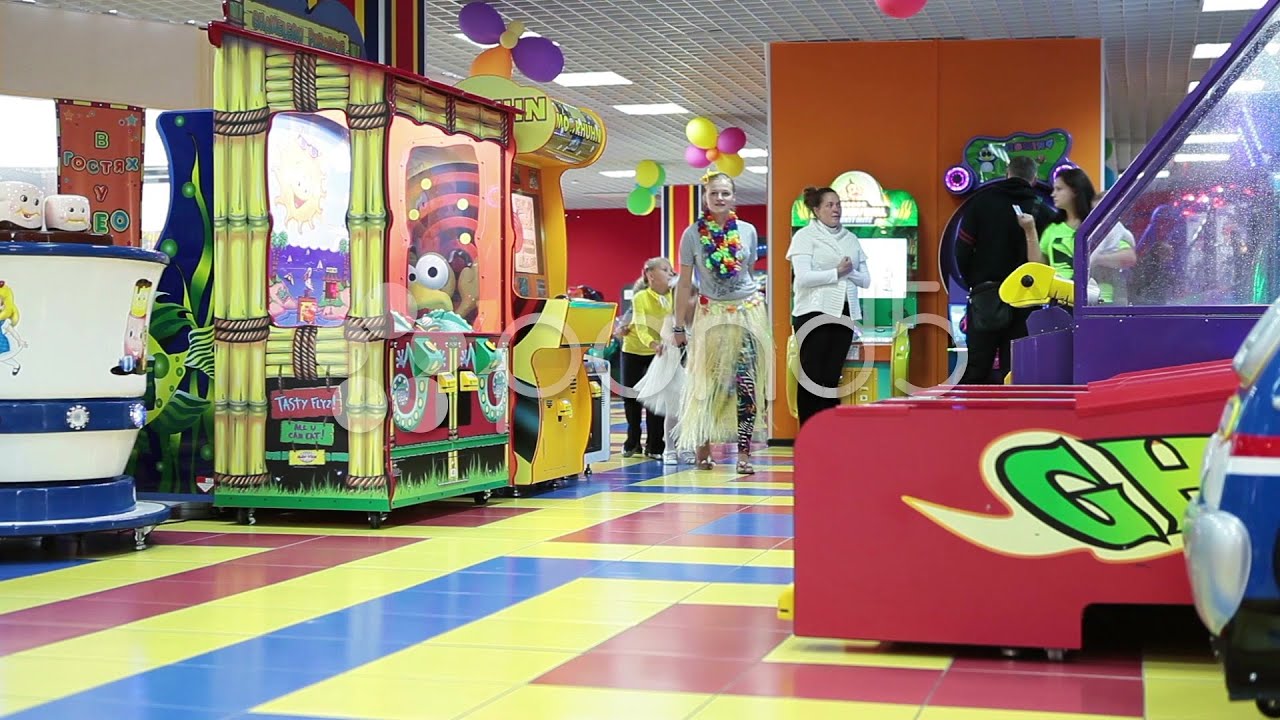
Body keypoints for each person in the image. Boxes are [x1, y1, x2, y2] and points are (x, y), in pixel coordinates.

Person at [671, 173, 770, 475]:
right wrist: (678, 326)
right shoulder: (692, 234)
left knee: (746, 385)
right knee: (706, 383)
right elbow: (684, 284)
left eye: (725, 193)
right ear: (705, 197)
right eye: (714, 193)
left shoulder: (748, 231)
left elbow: (748, 271)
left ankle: (744, 454)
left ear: (734, 197)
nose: (720, 198)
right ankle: (703, 446)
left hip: (747, 313)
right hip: (710, 315)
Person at [955, 156, 1054, 384]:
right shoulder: (1043, 211)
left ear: (1007, 173)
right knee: (1017, 369)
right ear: (1034, 179)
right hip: (1026, 299)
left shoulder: (981, 202)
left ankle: (971, 406)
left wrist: (974, 283)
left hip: (986, 296)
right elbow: (1047, 262)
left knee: (976, 367)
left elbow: (962, 250)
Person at [787, 186, 869, 428]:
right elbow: (803, 277)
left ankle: (828, 433)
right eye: (830, 205)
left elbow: (865, 280)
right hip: (812, 313)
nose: (836, 209)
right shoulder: (805, 236)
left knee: (832, 378)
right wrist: (837, 272)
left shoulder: (850, 238)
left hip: (844, 313)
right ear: (816, 210)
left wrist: (848, 272)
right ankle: (808, 432)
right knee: (812, 377)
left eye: (838, 204)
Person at [620, 257, 675, 459]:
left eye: (671, 270)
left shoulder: (674, 296)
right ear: (651, 275)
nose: (670, 273)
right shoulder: (640, 297)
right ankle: (632, 441)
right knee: (631, 398)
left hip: (659, 353)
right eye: (665, 269)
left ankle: (655, 445)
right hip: (634, 350)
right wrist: (653, 344)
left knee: (656, 399)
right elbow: (642, 326)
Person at [1021, 167, 1098, 282]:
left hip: (1095, 290)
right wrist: (1029, 230)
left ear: (1075, 191)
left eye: (1059, 189)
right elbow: (1039, 263)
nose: (1053, 194)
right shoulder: (1053, 228)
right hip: (1060, 290)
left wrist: (1098, 259)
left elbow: (1125, 255)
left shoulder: (1098, 223)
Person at [1087, 192, 1137, 305]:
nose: (1097, 216)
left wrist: (1097, 259)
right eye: (1094, 211)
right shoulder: (1090, 232)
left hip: (1114, 292)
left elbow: (1130, 257)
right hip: (1095, 289)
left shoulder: (1116, 229)